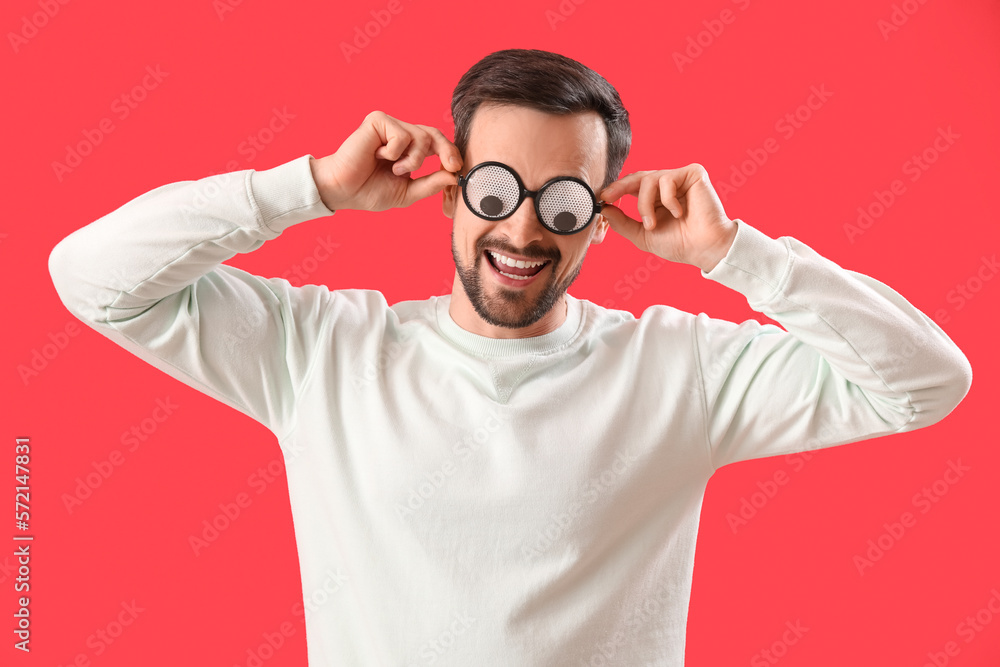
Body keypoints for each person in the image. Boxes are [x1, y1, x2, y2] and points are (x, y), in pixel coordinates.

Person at [48, 48, 972, 666]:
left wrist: (736, 254)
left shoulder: (678, 368)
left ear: (602, 220)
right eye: (496, 191)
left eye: (563, 200)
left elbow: (927, 382)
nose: (524, 230)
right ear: (452, 191)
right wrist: (311, 188)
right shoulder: (321, 351)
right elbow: (90, 276)